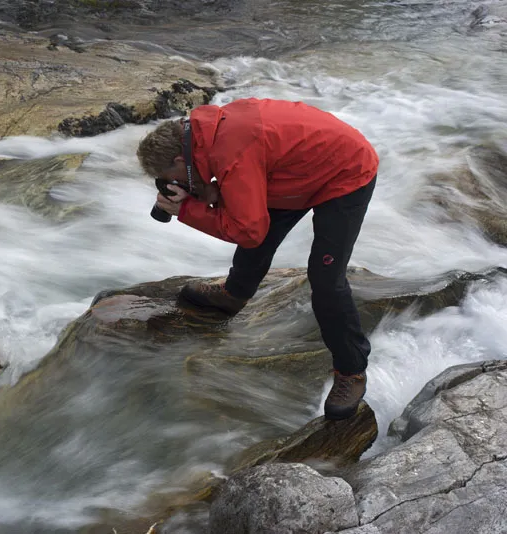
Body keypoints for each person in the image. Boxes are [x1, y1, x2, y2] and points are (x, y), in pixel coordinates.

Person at [136, 97, 378, 420]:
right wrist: (204, 193)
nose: (175, 182)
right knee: (251, 212)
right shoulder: (206, 134)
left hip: (346, 172)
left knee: (325, 279)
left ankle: (352, 371)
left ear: (180, 159)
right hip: (296, 172)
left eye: (172, 175)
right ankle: (234, 294)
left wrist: (186, 210)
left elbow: (248, 231)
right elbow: (236, 190)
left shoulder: (231, 150)